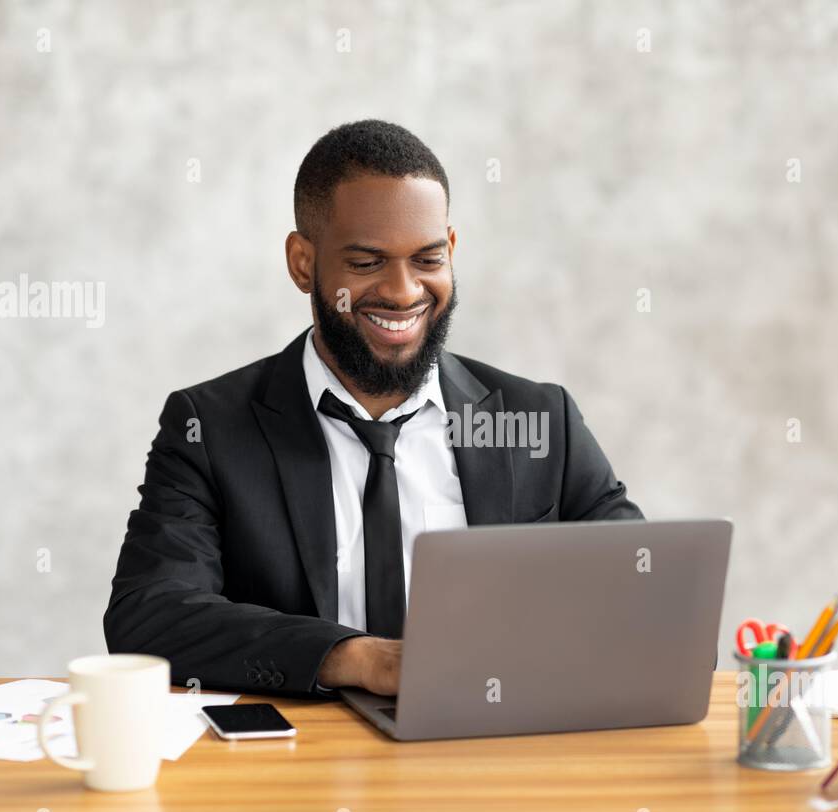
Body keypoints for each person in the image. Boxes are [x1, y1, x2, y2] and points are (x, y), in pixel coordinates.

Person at [104, 119, 642, 698]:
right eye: (366, 263)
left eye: (428, 259)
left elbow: (647, 601)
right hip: (302, 770)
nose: (404, 291)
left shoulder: (540, 420)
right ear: (303, 263)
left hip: (492, 757)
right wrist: (358, 659)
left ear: (452, 250)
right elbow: (150, 615)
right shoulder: (208, 428)